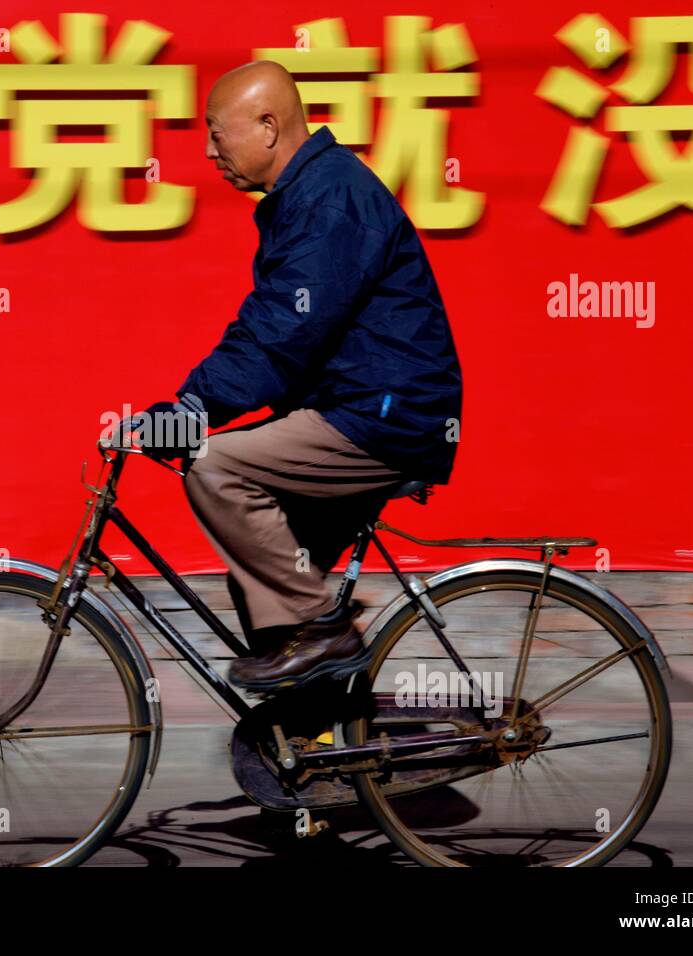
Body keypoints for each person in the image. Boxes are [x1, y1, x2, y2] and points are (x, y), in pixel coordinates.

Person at [140, 60, 463, 692]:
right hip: (358, 405)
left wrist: (194, 410)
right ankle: (318, 752)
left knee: (217, 467)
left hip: (382, 415)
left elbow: (284, 332)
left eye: (216, 133)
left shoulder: (330, 198)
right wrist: (190, 404)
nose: (208, 151)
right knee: (265, 575)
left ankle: (326, 630)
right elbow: (282, 330)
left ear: (267, 126)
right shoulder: (307, 195)